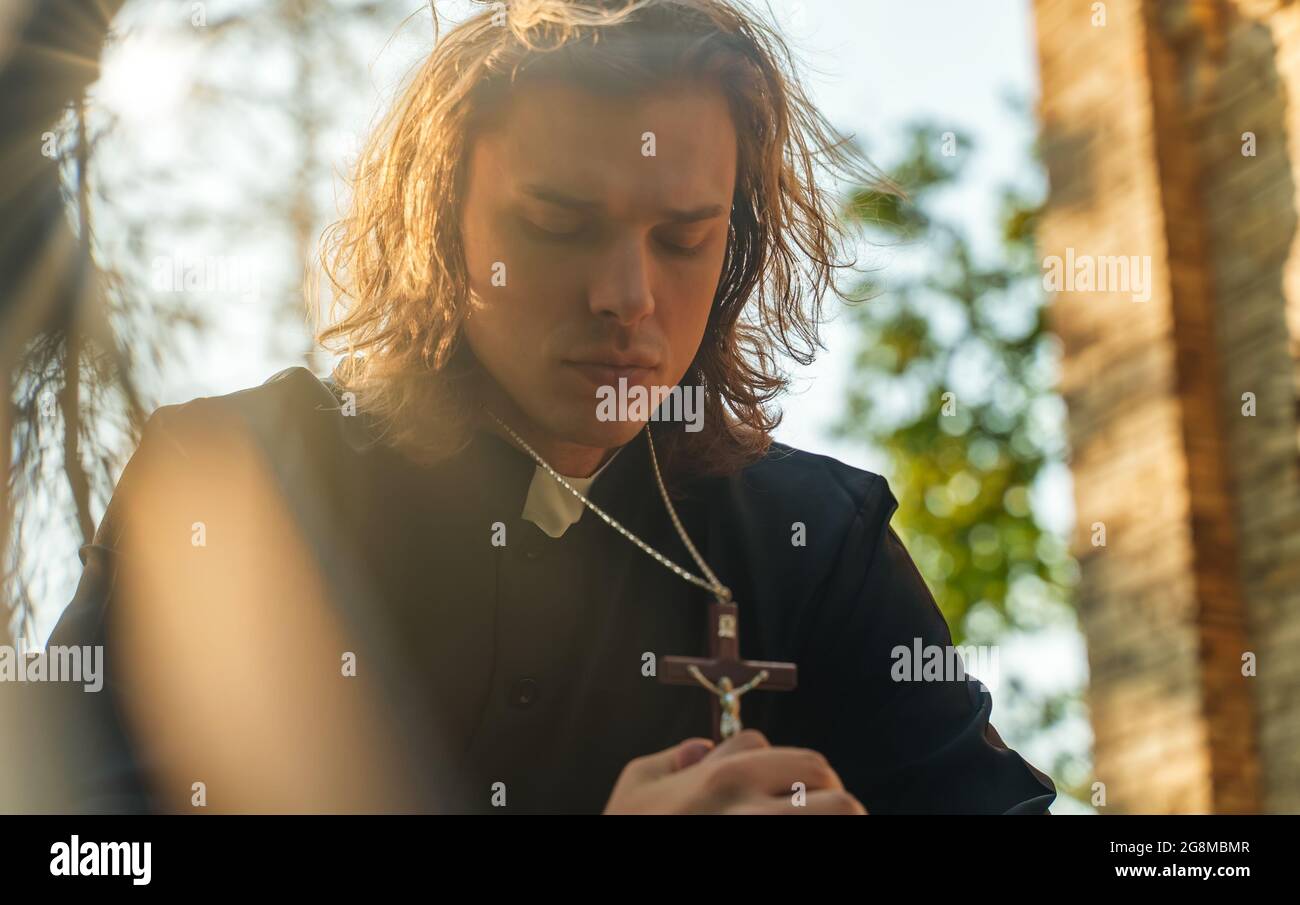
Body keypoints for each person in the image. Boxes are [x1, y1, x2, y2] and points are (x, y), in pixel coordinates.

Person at [48, 0, 1056, 815]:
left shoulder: (819, 542)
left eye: (683, 237)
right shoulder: (233, 484)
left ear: (738, 247)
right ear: (440, 225)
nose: (626, 295)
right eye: (558, 224)